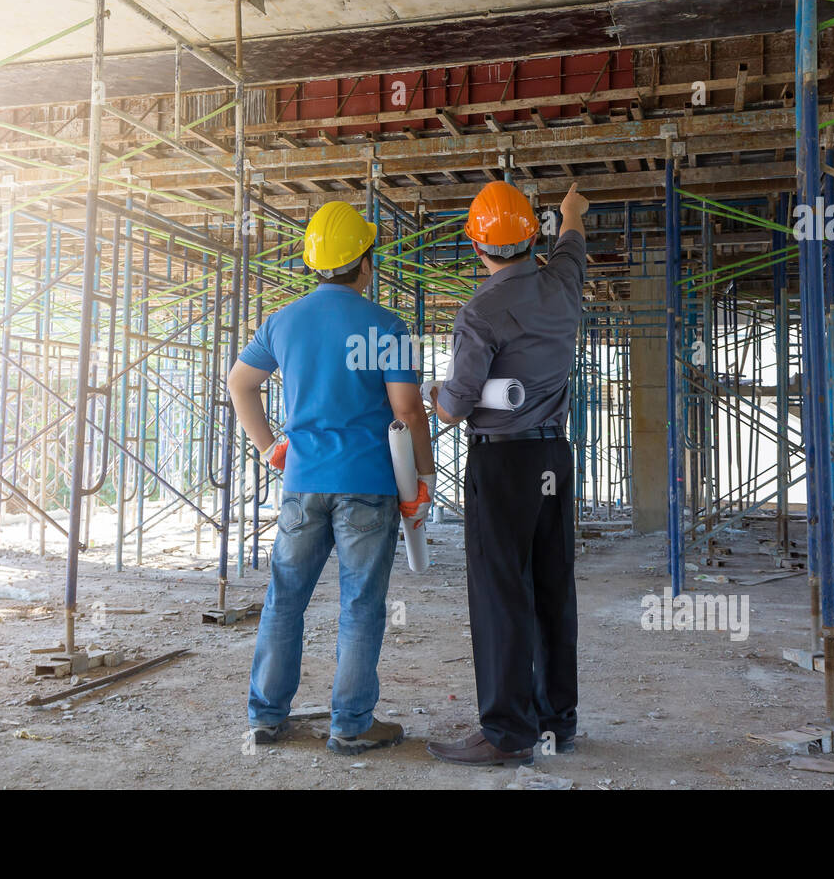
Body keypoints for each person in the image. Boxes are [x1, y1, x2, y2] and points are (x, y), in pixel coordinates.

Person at [227, 200, 435, 756]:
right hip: (367, 485)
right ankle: (350, 725)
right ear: (364, 263)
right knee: (361, 604)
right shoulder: (387, 326)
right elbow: (409, 411)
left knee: (284, 599)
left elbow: (239, 383)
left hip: (302, 483)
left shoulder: (282, 322)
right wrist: (423, 474)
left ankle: (267, 718)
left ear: (314, 264)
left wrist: (270, 446)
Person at [425, 180, 589, 767]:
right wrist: (571, 211)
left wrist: (433, 395)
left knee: (500, 592)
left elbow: (457, 405)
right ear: (533, 237)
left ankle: (507, 733)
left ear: (478, 248)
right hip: (554, 457)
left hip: (503, 461)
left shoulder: (480, 313)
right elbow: (573, 237)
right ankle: (556, 723)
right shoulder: (564, 283)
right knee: (551, 587)